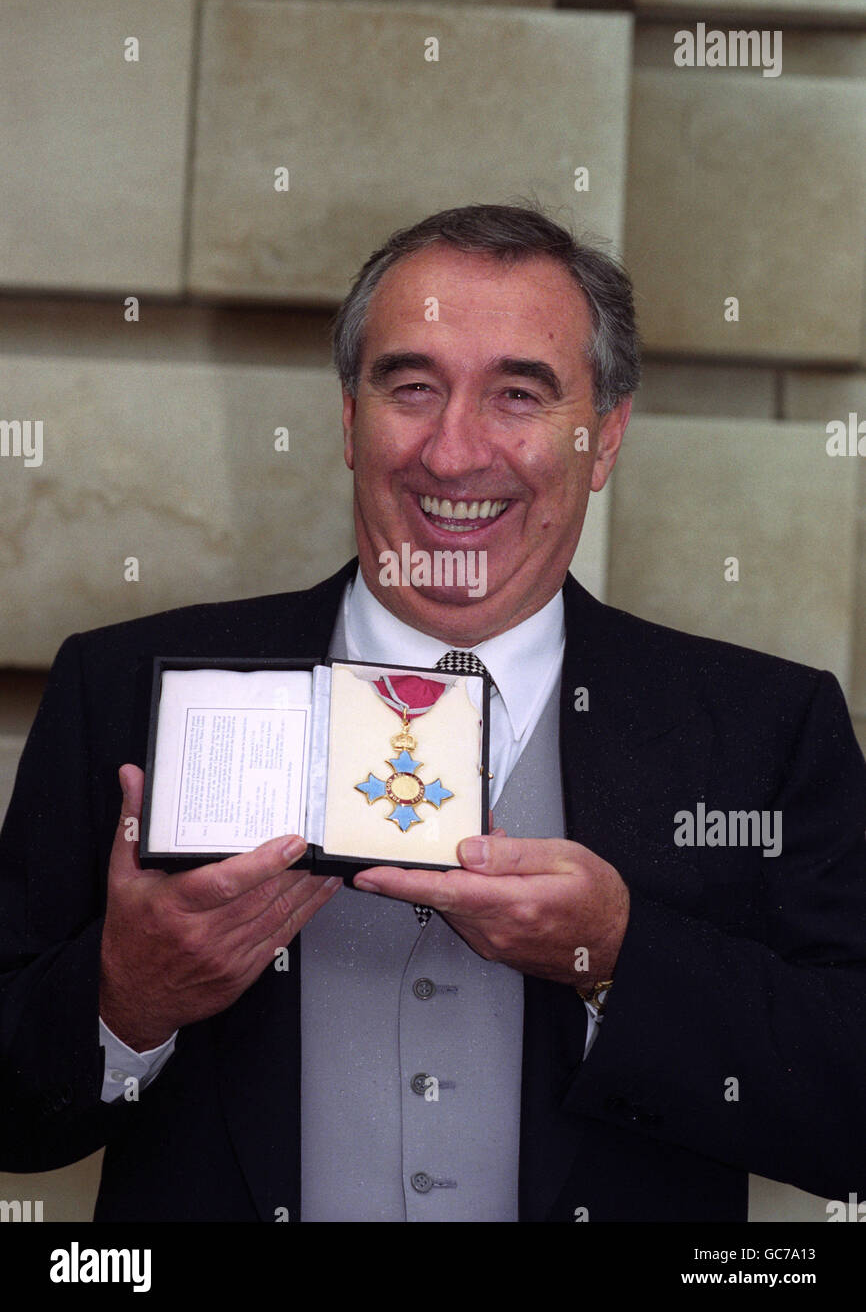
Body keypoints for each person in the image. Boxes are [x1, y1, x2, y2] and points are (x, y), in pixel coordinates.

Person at [1, 204, 865, 1222]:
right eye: (411, 387)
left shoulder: (763, 727)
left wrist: (619, 956)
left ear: (604, 437)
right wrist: (124, 997)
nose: (452, 454)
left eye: (517, 394)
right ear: (347, 418)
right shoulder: (122, 687)